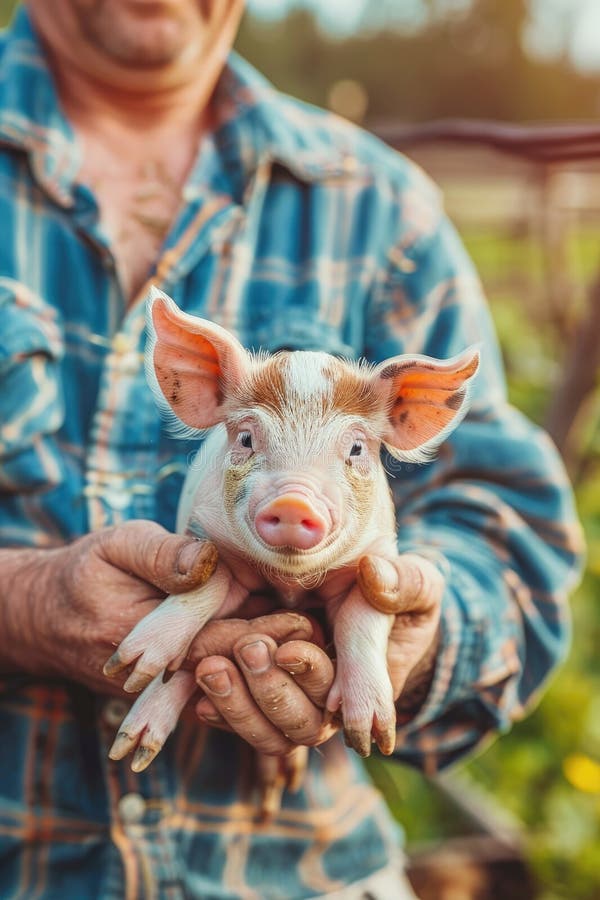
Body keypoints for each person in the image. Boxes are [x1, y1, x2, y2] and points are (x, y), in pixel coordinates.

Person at [0, 1, 583, 898]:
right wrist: (23, 605)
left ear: (412, 411)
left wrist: (394, 638)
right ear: (197, 383)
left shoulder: (384, 210)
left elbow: (512, 546)